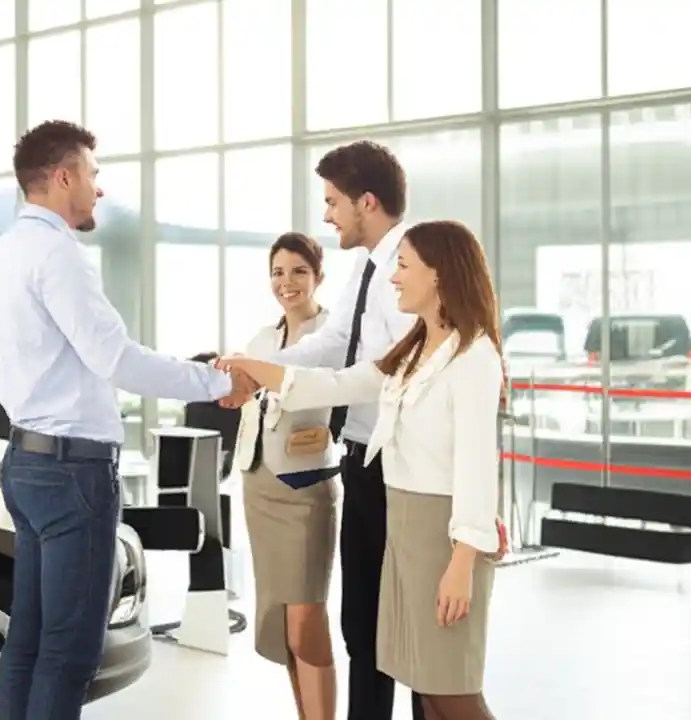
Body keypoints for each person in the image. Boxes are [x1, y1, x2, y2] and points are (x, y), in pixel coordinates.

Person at [0, 119, 254, 720]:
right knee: (70, 653)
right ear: (63, 176)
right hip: (72, 471)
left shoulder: (3, 253)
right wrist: (218, 380)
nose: (98, 189)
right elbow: (117, 359)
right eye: (94, 175)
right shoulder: (58, 254)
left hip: (25, 460)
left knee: (26, 641)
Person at [217, 220, 506, 720]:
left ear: (438, 275)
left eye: (404, 266)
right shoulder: (414, 348)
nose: (394, 278)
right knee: (427, 682)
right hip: (406, 526)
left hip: (444, 535)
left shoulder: (472, 356)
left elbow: (479, 468)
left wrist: (462, 564)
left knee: (450, 689)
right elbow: (332, 384)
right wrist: (250, 365)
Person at [222, 140, 420, 720]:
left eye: (333, 201)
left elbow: (380, 373)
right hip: (359, 456)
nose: (328, 213)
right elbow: (335, 345)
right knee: (360, 623)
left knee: (388, 625)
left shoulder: (403, 269)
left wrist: (282, 381)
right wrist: (266, 371)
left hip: (389, 459)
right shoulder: (367, 264)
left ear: (366, 200)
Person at [232, 232, 341, 719]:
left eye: (298, 270)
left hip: (305, 490)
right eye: (278, 272)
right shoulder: (261, 338)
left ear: (318, 275)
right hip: (259, 485)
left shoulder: (333, 334)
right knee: (280, 621)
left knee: (306, 621)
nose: (287, 282)